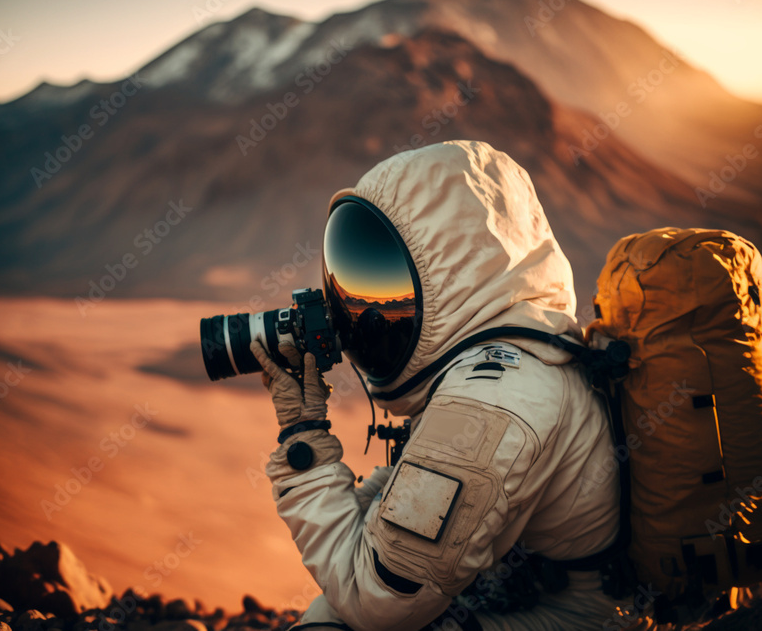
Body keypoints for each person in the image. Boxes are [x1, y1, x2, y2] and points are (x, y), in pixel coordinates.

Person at [249, 140, 637, 630]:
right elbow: (398, 510)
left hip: (575, 615)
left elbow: (378, 602)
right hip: (539, 587)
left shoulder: (494, 400)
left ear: (456, 276)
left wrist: (302, 440)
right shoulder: (524, 353)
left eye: (391, 289)